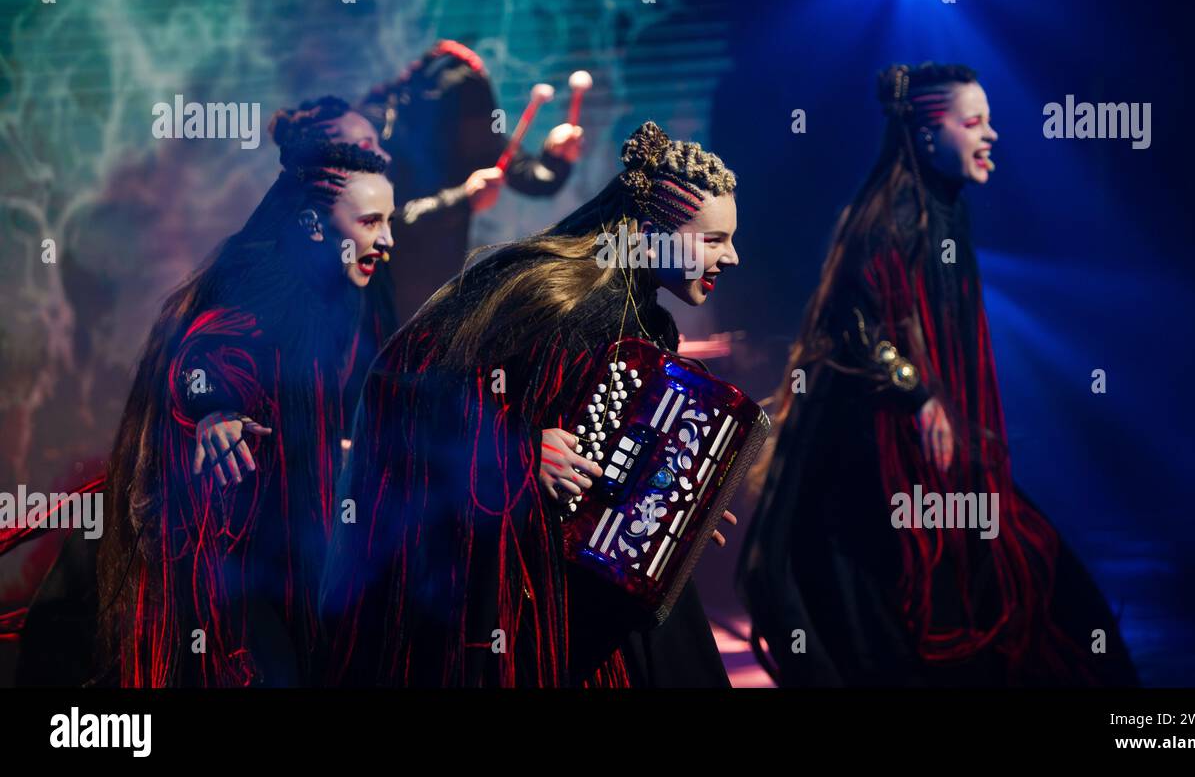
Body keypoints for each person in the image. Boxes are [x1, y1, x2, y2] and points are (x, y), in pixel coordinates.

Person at [739, 63, 1139, 687]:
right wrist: (917, 394)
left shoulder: (942, 206)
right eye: (974, 122)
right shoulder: (892, 215)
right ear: (927, 135)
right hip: (888, 458)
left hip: (930, 453)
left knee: (1031, 584)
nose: (991, 136)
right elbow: (854, 326)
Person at [321, 121, 740, 687]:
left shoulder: (651, 326)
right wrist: (511, 449)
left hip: (589, 588)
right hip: (512, 598)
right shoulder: (547, 291)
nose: (731, 257)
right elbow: (403, 384)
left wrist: (673, 510)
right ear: (650, 233)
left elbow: (612, 469)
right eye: (713, 240)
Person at [95, 96, 396, 686]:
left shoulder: (337, 283)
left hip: (277, 543)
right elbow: (201, 358)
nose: (387, 239)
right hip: (235, 551)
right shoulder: (271, 274)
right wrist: (214, 410)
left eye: (389, 221)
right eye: (371, 223)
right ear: (315, 223)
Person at [357, 40, 584, 320]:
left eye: (484, 123)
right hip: (382, 293)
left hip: (438, 289)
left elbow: (534, 179)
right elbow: (386, 224)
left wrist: (556, 156)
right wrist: (462, 199)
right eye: (471, 127)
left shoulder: (475, 131)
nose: (482, 138)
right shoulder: (380, 136)